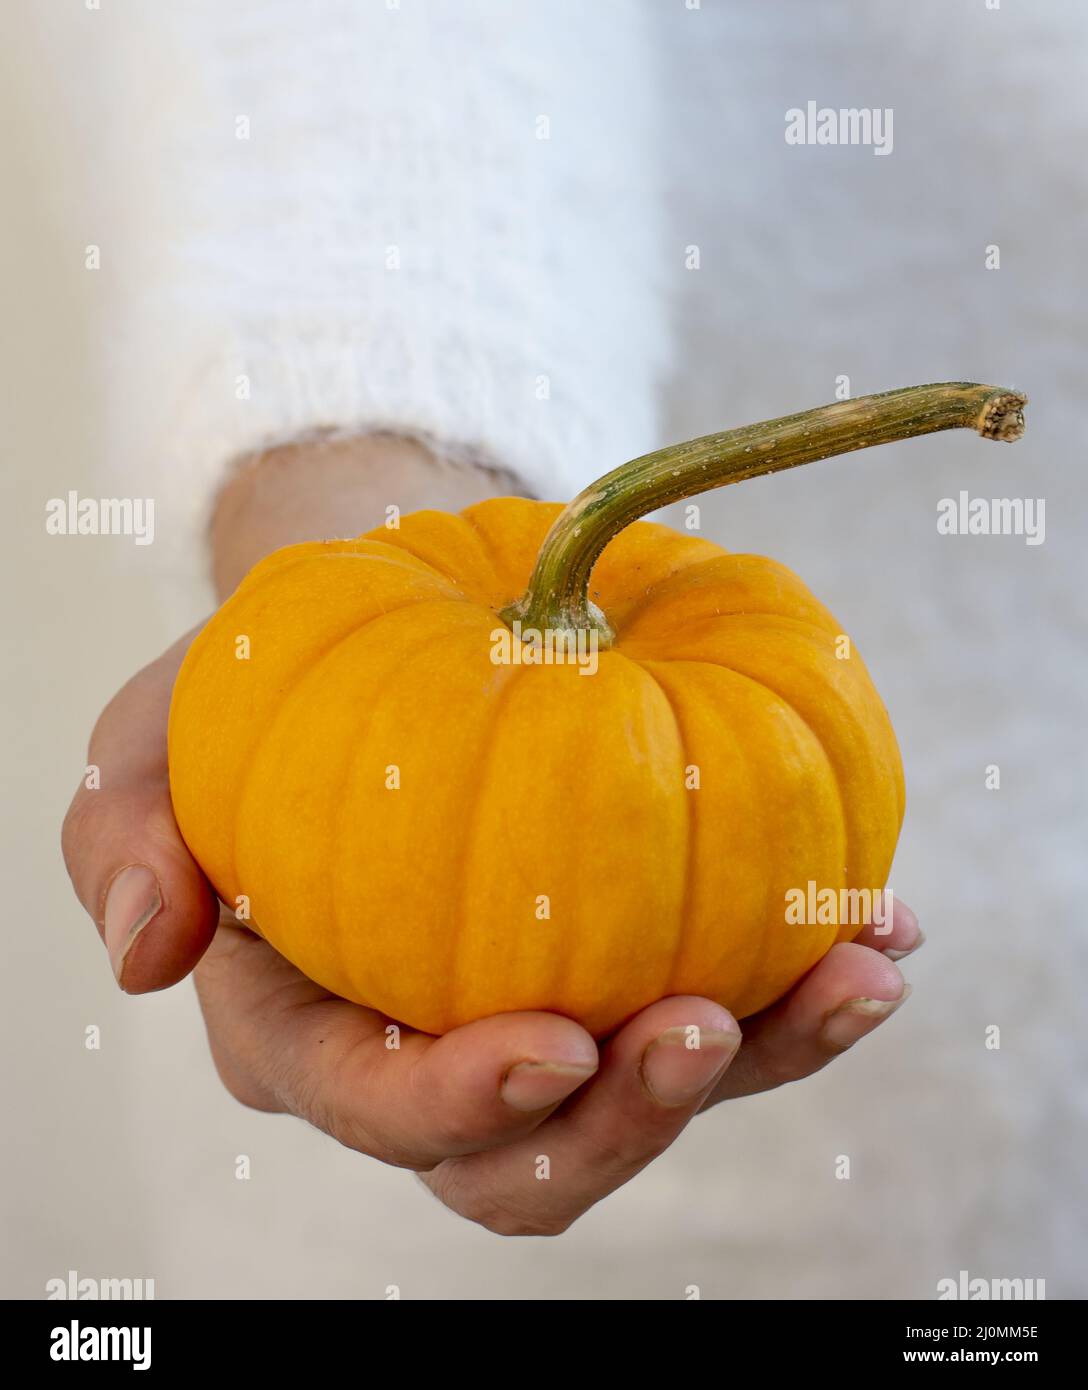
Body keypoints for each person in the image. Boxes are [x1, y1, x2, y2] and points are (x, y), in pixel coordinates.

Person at [59, 1, 919, 1237]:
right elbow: (378, 55)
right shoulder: (385, 643)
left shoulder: (765, 685)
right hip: (374, 1218)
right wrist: (365, 457)